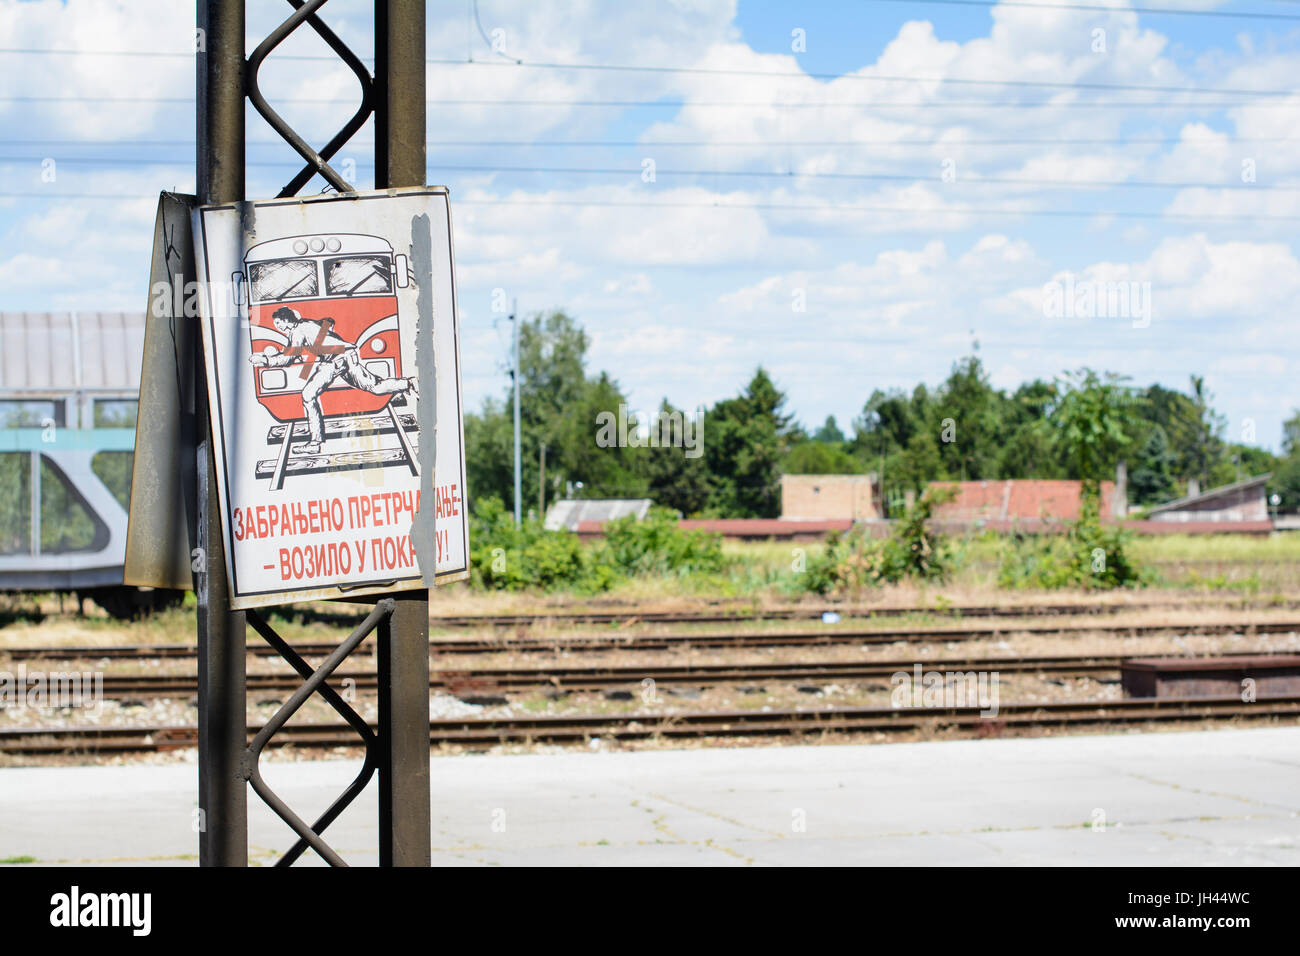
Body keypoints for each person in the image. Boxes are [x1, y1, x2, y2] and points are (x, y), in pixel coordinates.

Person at [250, 306, 417, 454]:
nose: (277, 327)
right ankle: (409, 383)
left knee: (308, 395)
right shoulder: (306, 324)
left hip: (335, 360)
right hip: (345, 355)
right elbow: (325, 328)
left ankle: (315, 442)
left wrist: (265, 360)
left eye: (278, 323)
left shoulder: (298, 330)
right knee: (376, 386)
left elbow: (289, 358)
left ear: (286, 321)